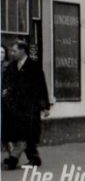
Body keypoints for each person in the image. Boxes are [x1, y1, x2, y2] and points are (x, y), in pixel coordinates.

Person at [3, 40, 51, 169]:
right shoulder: (12, 66)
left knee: (26, 132)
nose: (12, 53)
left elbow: (41, 87)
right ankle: (33, 158)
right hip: (15, 106)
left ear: (22, 50)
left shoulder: (33, 66)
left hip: (30, 106)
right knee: (22, 132)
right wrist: (6, 91)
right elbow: (6, 82)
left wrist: (45, 106)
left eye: (14, 51)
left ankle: (15, 158)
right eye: (11, 51)